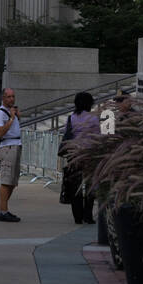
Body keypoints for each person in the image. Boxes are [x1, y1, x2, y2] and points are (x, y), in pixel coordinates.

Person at [59, 92, 100, 225]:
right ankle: (88, 216)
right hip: (89, 155)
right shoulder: (93, 119)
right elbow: (99, 136)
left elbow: (67, 134)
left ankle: (77, 216)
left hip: (74, 155)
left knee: (75, 185)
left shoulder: (71, 118)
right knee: (89, 186)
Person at [0, 88, 22, 222]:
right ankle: (3, 211)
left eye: (13, 96)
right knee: (6, 181)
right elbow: (0, 133)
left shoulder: (11, 112)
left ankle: (1, 209)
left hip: (15, 146)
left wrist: (16, 117)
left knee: (12, 181)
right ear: (3, 98)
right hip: (7, 147)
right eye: (9, 97)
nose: (11, 99)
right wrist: (11, 118)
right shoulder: (1, 113)